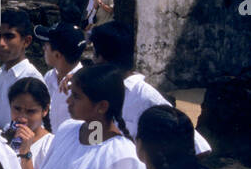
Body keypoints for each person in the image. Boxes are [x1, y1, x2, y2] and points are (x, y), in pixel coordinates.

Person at [90, 21, 211, 153]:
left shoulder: (146, 97)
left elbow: (199, 148)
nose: (92, 60)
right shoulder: (102, 90)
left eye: (94, 54)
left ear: (102, 58)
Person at [0, 9, 44, 132]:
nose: (1, 43)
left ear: (26, 41)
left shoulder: (32, 78)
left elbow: (35, 129)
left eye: (9, 37)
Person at [36, 22, 85, 133]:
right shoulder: (49, 77)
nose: (43, 48)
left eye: (47, 45)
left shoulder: (85, 85)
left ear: (57, 55)